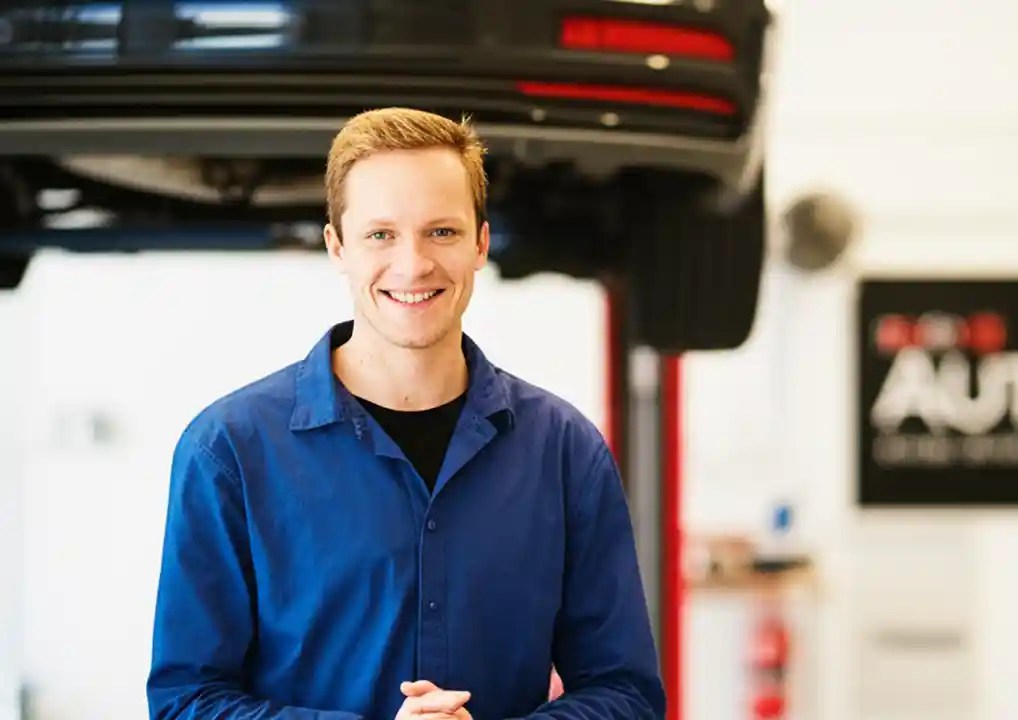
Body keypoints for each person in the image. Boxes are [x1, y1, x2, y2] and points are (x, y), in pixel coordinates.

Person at [146, 107, 665, 720]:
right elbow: (186, 702)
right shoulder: (228, 451)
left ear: (480, 243)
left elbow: (626, 694)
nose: (413, 264)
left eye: (441, 232)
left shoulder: (565, 451)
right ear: (337, 246)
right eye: (381, 234)